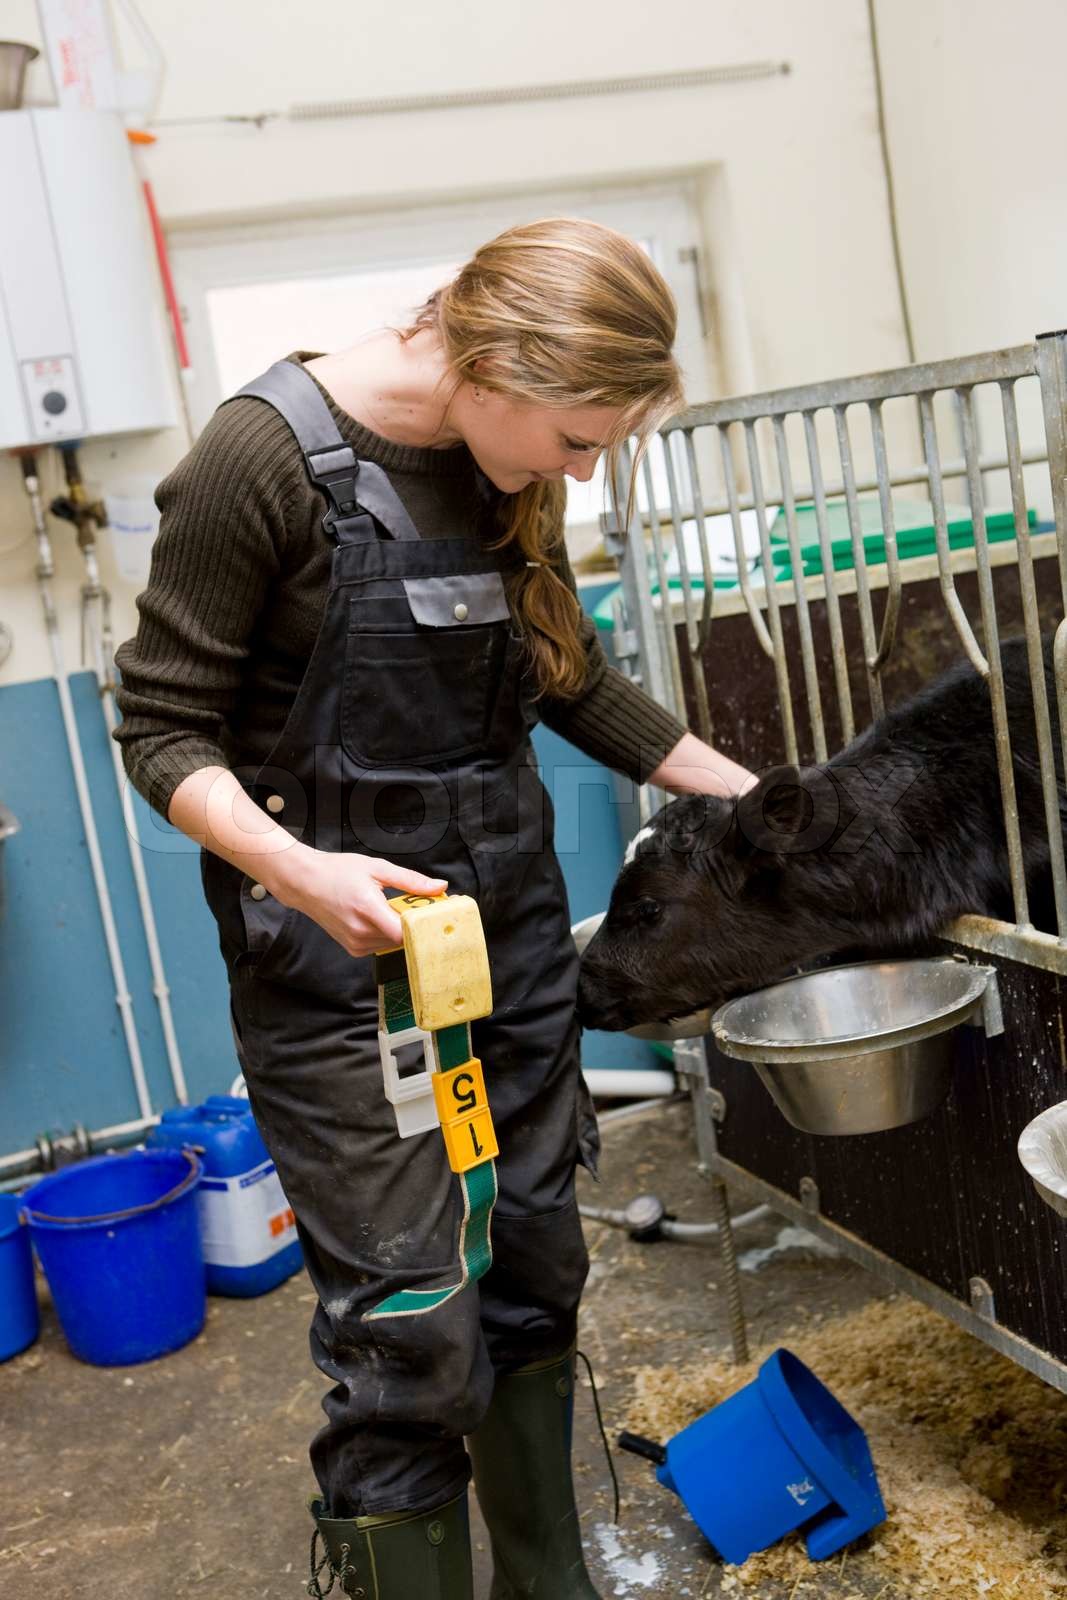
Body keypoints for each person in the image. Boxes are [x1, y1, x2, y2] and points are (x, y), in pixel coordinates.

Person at [113, 216, 756, 1599]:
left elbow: (565, 674)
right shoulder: (262, 460)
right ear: (499, 362)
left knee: (532, 1278)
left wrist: (746, 795)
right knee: (414, 1328)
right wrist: (298, 871)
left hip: (508, 949)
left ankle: (549, 1581)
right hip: (341, 983)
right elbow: (163, 732)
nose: (584, 473)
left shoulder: (499, 464)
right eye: (579, 441)